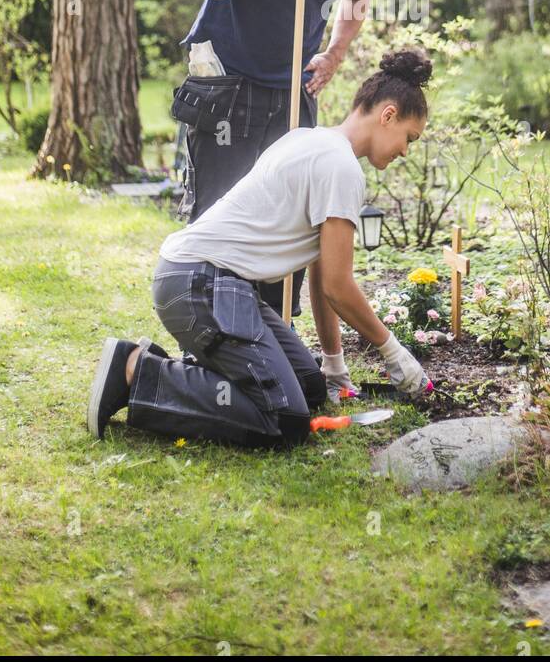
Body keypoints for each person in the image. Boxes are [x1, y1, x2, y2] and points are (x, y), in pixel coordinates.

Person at [87, 48, 434, 449]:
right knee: (286, 420)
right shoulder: (341, 167)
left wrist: (335, 367)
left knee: (308, 389)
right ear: (388, 115)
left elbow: (325, 277)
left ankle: (205, 368)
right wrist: (392, 350)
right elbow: (340, 286)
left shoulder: (311, 140)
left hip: (206, 282)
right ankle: (136, 370)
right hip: (200, 284)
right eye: (409, 137)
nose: (406, 150)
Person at [171, 0, 407, 317]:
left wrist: (335, 52)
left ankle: (273, 330)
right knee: (222, 208)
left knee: (293, 209)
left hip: (292, 91)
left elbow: (357, 1)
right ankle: (211, 326)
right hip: (228, 86)